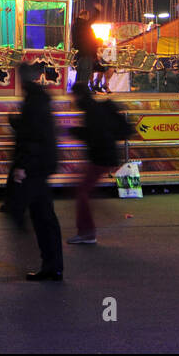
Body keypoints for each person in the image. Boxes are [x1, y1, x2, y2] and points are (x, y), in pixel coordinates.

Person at [11, 63, 63, 280]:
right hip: (43, 161)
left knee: (41, 215)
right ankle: (52, 265)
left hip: (35, 163)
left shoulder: (32, 101)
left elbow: (32, 136)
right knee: (44, 214)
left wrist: (23, 165)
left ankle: (50, 265)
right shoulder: (41, 98)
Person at [67, 82, 122, 245]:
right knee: (83, 190)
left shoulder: (91, 111)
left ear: (79, 95)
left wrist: (74, 131)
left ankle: (87, 232)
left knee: (81, 192)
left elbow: (94, 135)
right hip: (103, 156)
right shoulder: (93, 108)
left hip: (101, 157)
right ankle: (88, 229)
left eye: (74, 96)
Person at [70, 5, 99, 92]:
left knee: (80, 72)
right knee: (85, 72)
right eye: (87, 16)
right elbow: (91, 21)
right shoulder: (82, 24)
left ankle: (78, 90)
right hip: (86, 52)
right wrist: (97, 11)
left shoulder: (76, 25)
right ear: (85, 16)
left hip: (81, 53)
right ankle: (82, 91)